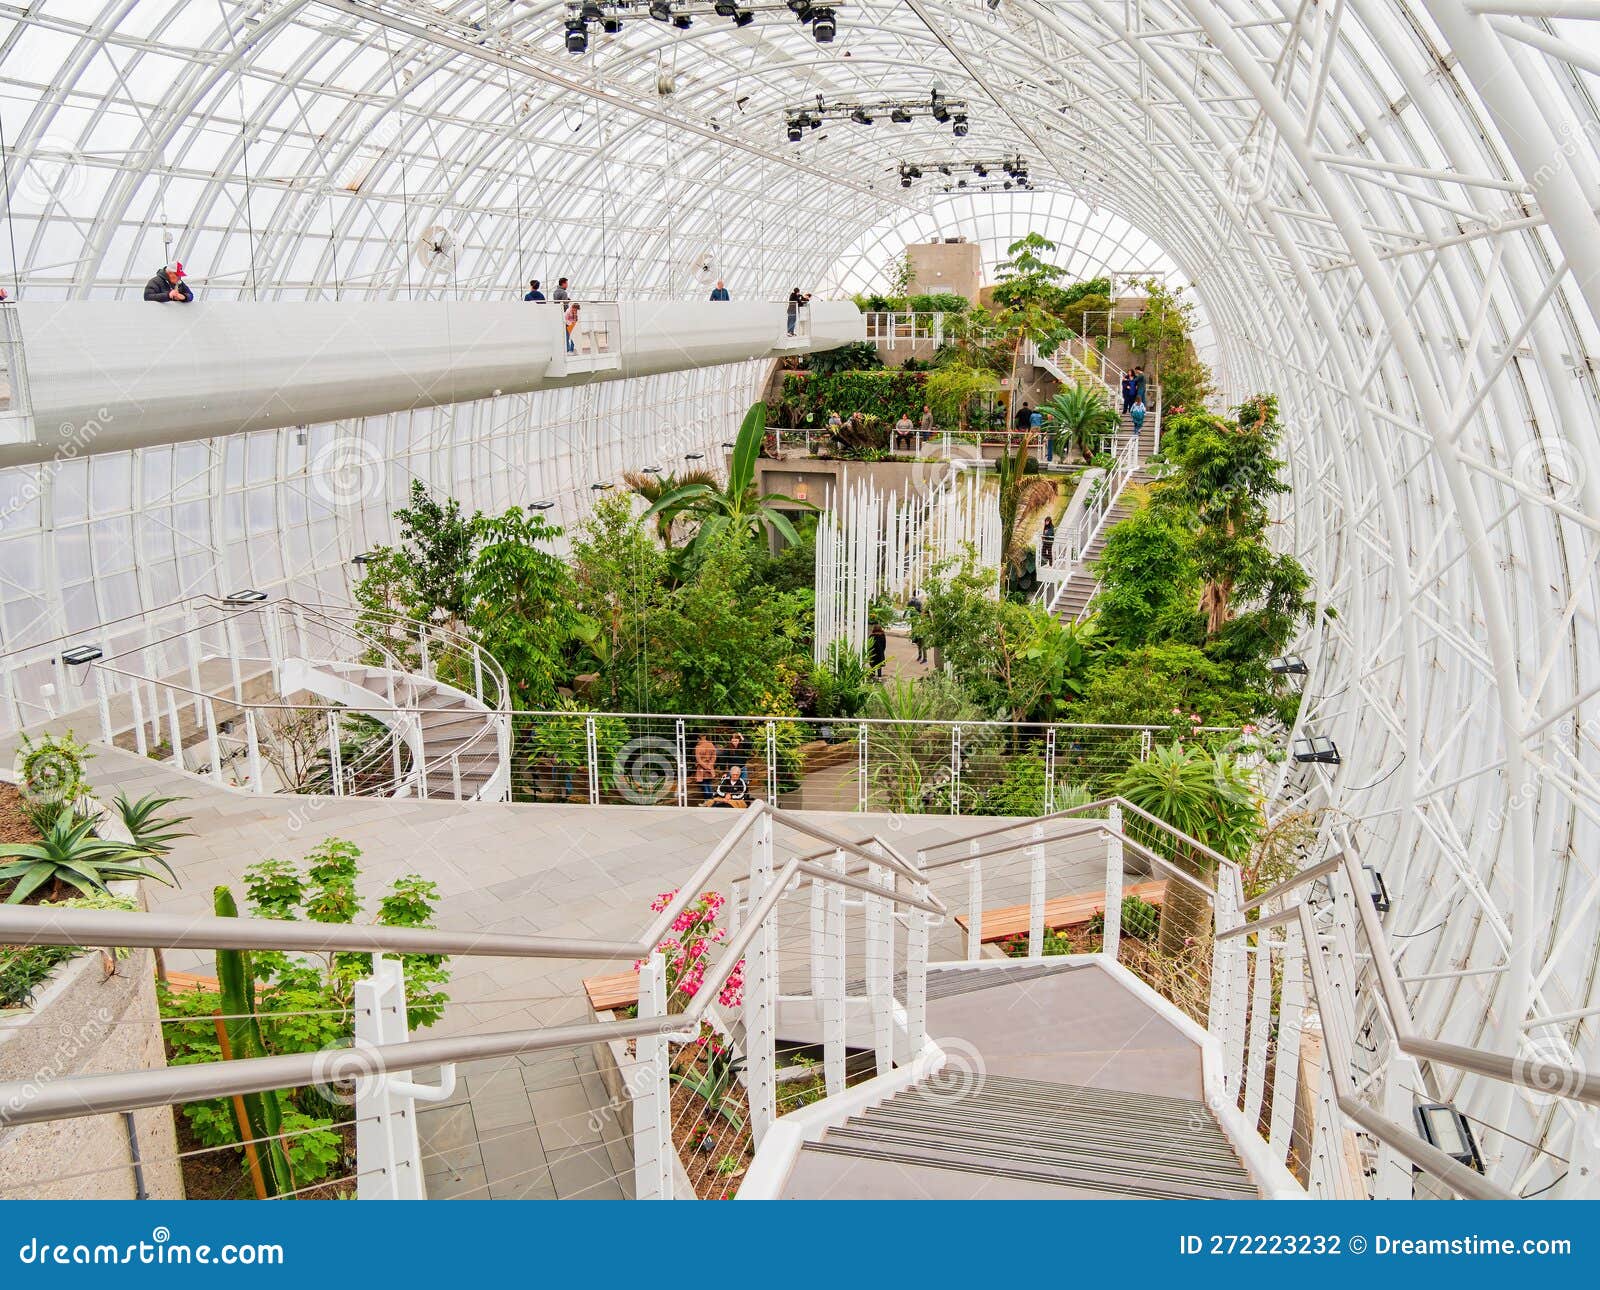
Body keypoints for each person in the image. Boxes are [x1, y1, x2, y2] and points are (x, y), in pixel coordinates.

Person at [694, 733, 719, 800]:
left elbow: (698, 759)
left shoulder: (698, 747)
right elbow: (714, 756)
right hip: (709, 767)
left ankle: (707, 800)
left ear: (698, 739)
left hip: (702, 768)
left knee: (704, 784)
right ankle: (711, 800)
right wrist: (710, 765)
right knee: (708, 783)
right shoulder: (711, 744)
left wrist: (705, 767)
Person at [907, 593, 928, 664]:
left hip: (923, 630)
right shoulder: (918, 614)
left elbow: (928, 621)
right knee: (919, 644)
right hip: (919, 629)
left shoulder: (926, 614)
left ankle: (925, 658)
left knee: (923, 644)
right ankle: (920, 656)